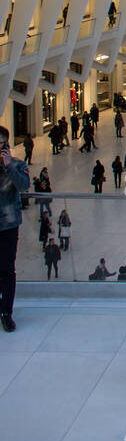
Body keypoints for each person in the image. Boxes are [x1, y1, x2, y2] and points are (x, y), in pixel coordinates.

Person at [0, 125, 29, 332]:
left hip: (8, 225)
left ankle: (6, 313)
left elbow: (24, 185)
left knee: (7, 269)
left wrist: (8, 164)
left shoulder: (17, 165)